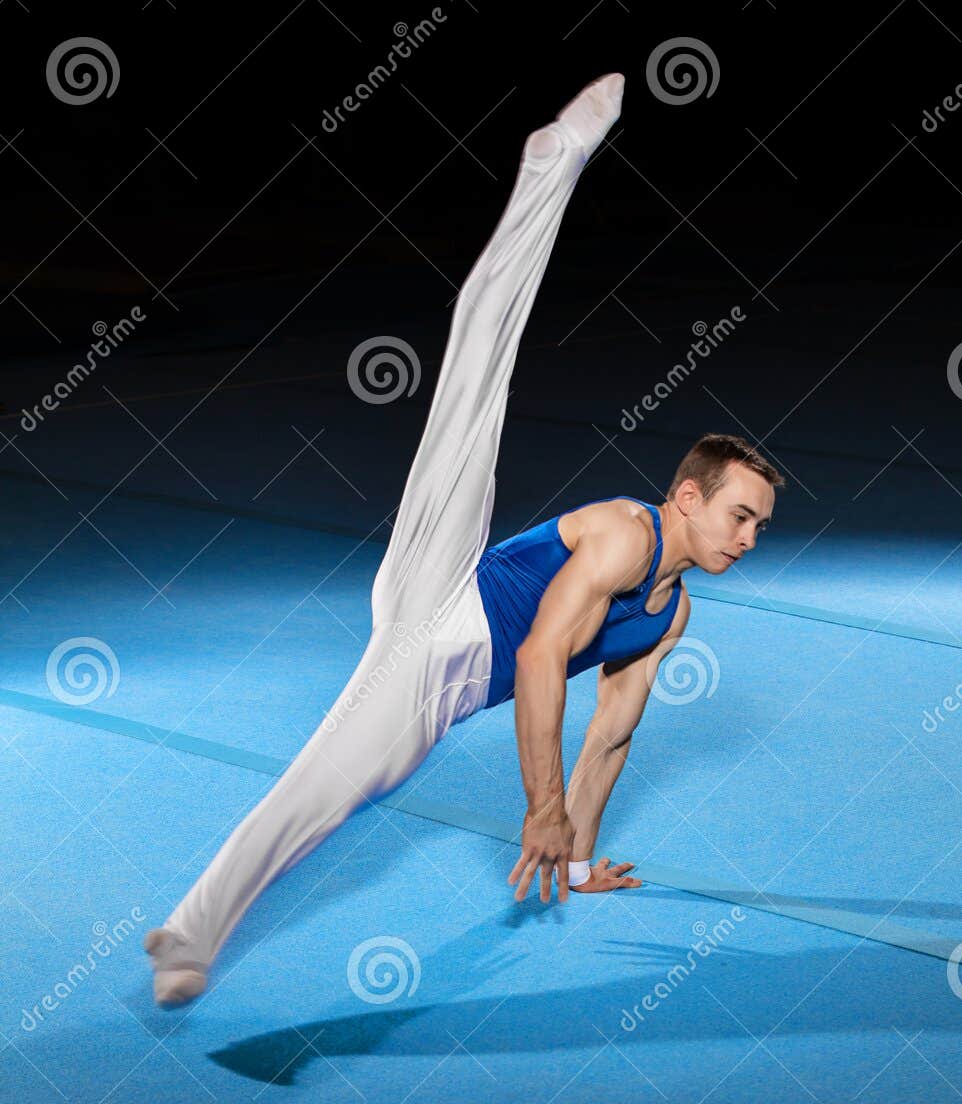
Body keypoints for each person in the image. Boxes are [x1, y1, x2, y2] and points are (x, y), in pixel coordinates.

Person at [144, 72, 784, 1006]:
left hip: (436, 691)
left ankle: (183, 937)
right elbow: (536, 656)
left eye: (760, 526)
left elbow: (607, 739)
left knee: (324, 796)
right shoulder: (620, 535)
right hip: (443, 595)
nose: (749, 537)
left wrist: (571, 859)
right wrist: (538, 808)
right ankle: (551, 166)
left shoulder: (669, 615)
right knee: (476, 383)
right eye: (739, 514)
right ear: (685, 498)